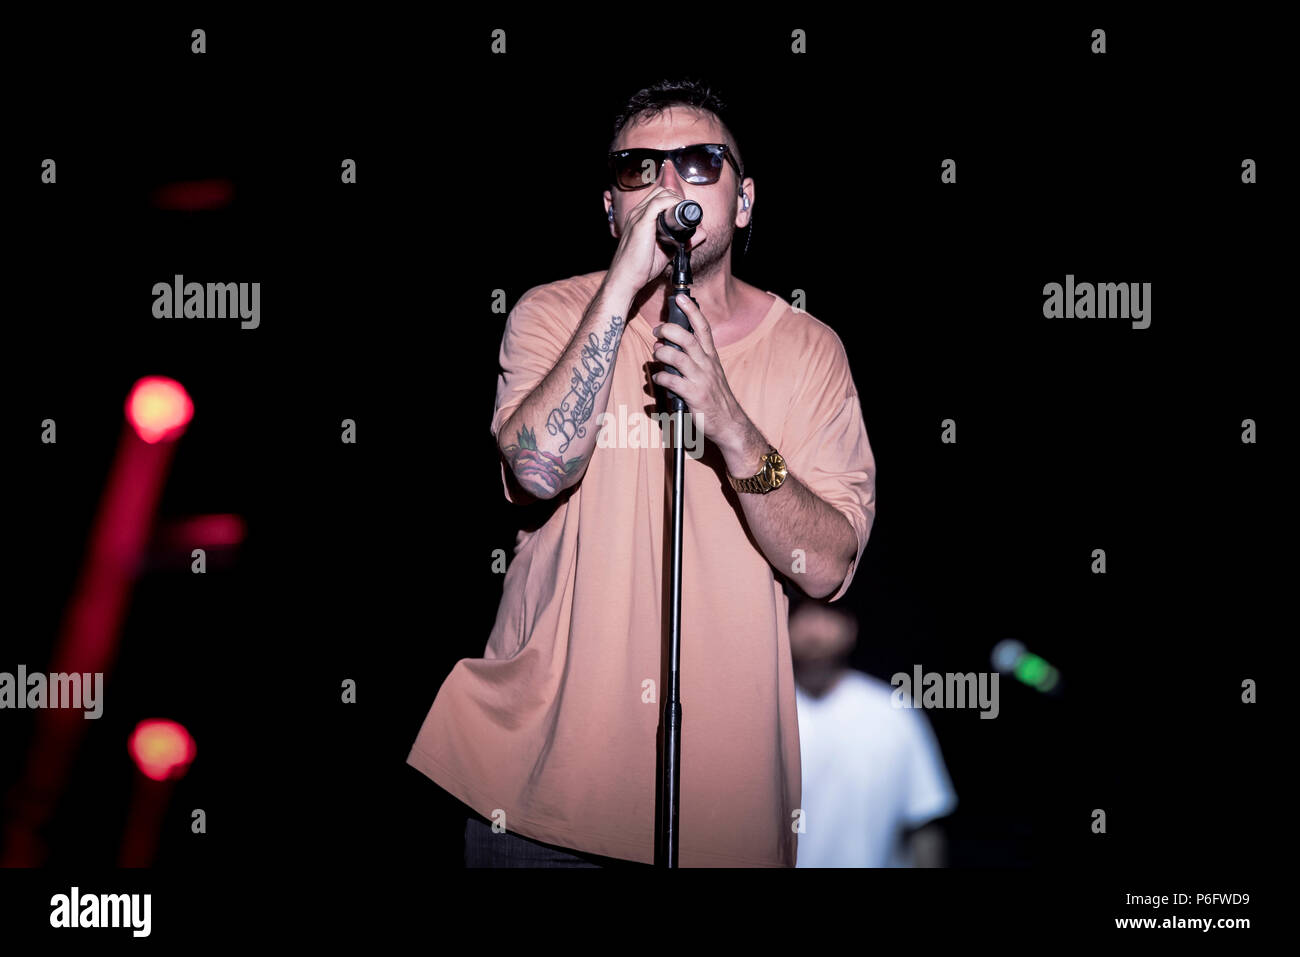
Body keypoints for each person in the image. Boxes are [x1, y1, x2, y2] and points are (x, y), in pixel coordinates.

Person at [406, 78, 877, 867]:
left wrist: (730, 423)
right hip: (535, 792)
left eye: (698, 163)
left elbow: (826, 566)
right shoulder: (553, 314)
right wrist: (626, 284)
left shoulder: (810, 349)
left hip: (722, 815)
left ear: (745, 199)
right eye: (639, 170)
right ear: (610, 206)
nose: (667, 186)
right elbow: (536, 466)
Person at [789, 599, 957, 867]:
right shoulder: (761, 716)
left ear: (851, 627)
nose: (814, 632)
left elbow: (924, 821)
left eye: (828, 614)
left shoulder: (894, 711)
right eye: (800, 615)